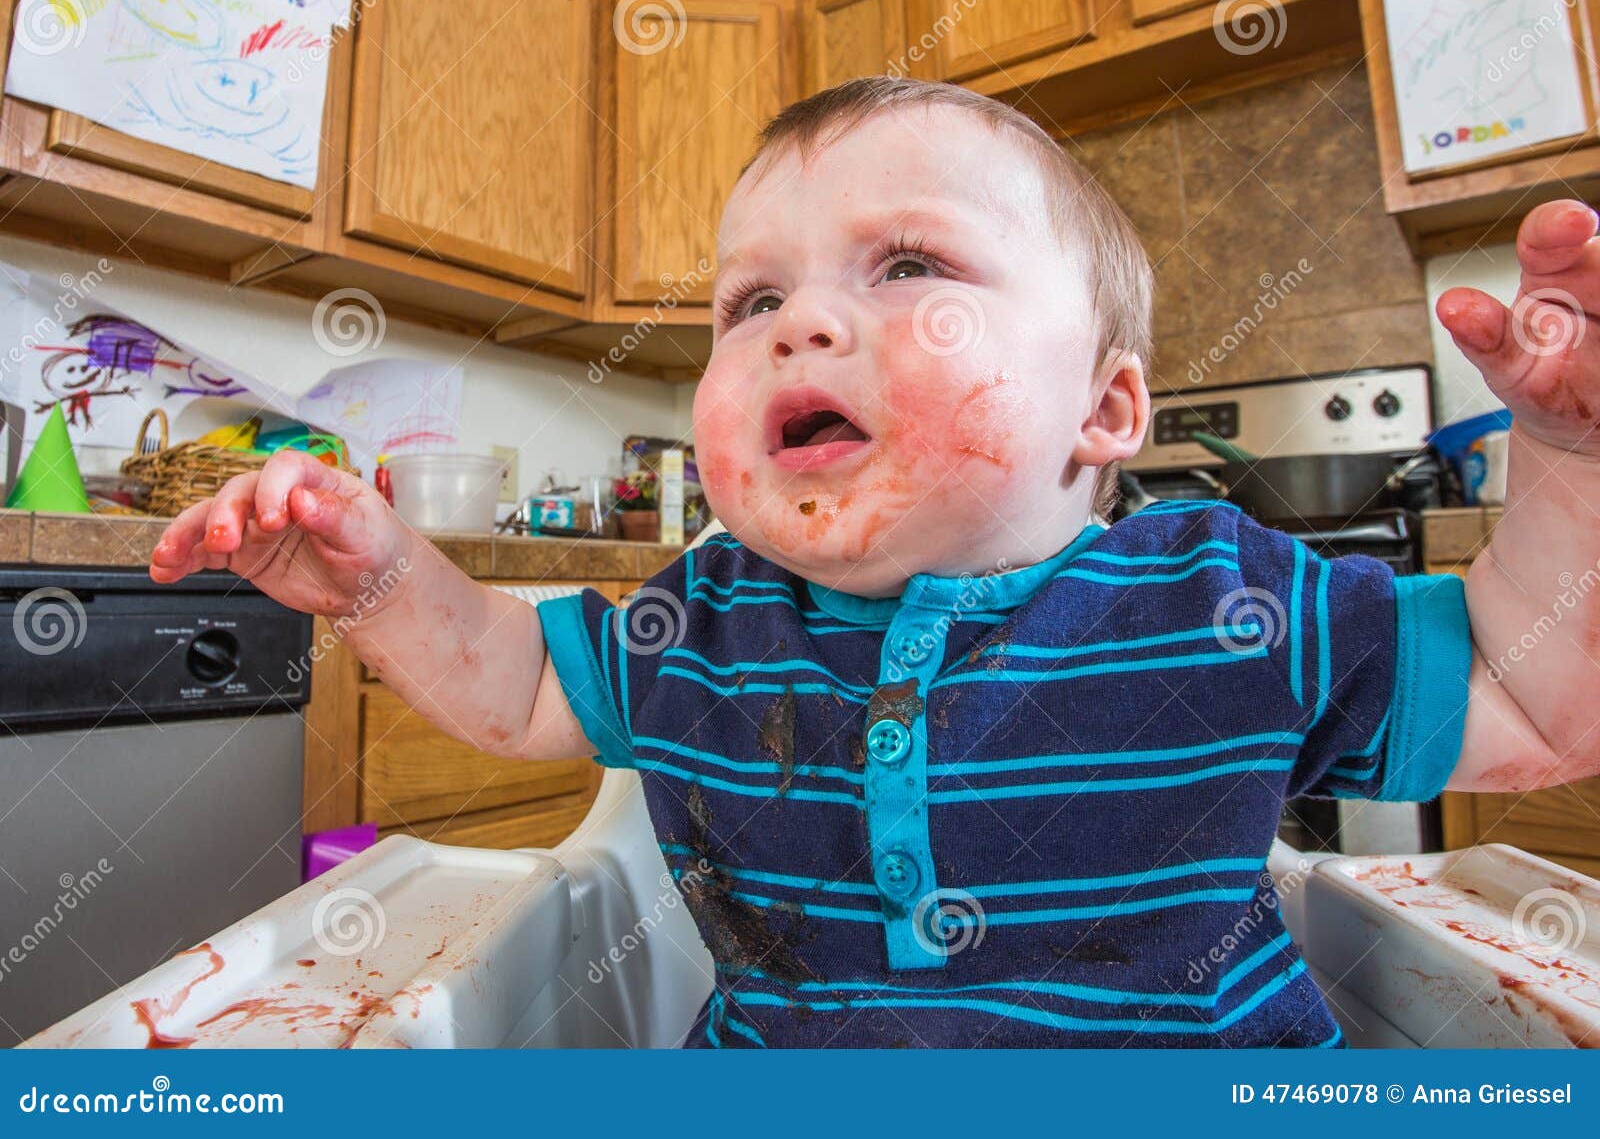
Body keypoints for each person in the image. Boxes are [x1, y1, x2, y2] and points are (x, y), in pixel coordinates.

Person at [150, 78, 1600, 1047]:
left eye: (907, 266)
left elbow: (1537, 712)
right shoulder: (704, 616)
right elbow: (516, 687)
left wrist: (1575, 465)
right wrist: (388, 582)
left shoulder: (1225, 600)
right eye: (752, 297)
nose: (800, 322)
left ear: (1102, 411)